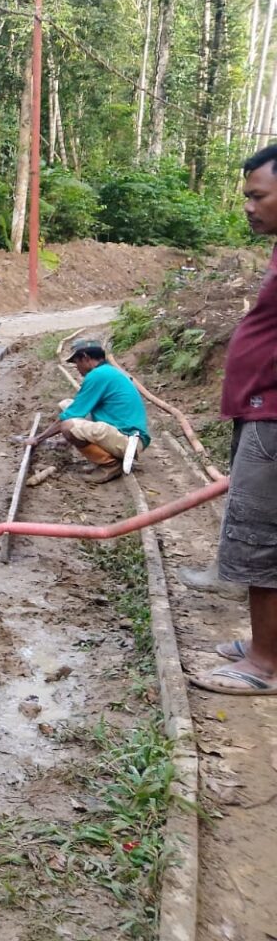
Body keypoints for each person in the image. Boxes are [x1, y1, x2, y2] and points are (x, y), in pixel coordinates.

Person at [192, 145, 277, 697]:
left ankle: (264, 664)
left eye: (257, 196)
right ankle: (266, 643)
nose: (247, 206)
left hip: (272, 418)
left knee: (259, 537)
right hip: (260, 412)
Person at [25, 340, 151, 483]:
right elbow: (74, 409)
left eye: (76, 362)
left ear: (85, 358)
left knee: (68, 426)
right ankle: (75, 445)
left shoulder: (98, 375)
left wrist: (38, 439)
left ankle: (110, 464)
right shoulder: (107, 372)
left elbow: (71, 416)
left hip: (128, 441)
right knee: (65, 405)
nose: (77, 368)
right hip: (124, 433)